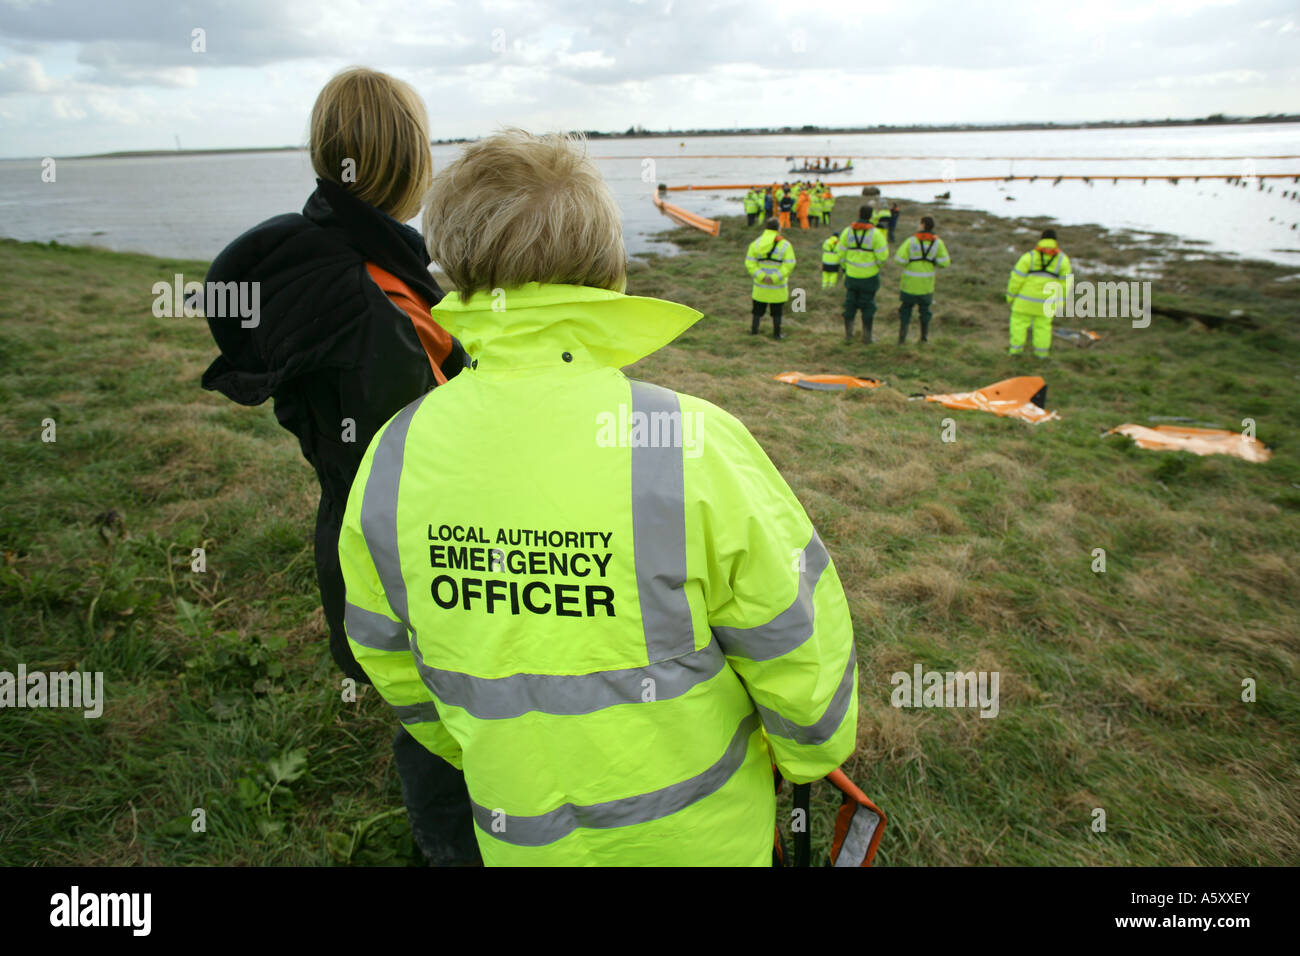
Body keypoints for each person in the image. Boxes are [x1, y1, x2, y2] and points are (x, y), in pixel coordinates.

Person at [337, 129, 858, 866]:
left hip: (519, 839)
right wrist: (810, 753)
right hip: (703, 842)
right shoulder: (689, 442)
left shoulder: (394, 455)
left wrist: (481, 747)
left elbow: (389, 655)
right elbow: (795, 637)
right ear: (604, 268)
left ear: (454, 269)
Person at [200, 67, 479, 866]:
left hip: (355, 542)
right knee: (441, 734)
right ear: (413, 163)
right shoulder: (367, 300)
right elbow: (419, 461)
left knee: (425, 718)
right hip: (415, 567)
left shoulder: (332, 264)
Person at [1006, 228, 1072, 357]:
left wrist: (1010, 296)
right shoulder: (1062, 260)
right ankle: (1041, 355)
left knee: (1018, 324)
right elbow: (1066, 284)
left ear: (1041, 240)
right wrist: (1061, 302)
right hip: (1047, 303)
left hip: (1024, 301)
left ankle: (1015, 352)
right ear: (1055, 242)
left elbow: (1016, 279)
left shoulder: (1028, 257)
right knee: (1043, 328)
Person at [836, 205, 889, 343]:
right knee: (868, 307)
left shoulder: (847, 232)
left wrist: (845, 267)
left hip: (851, 276)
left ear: (858, 214)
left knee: (850, 304)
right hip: (869, 277)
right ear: (871, 216)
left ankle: (848, 336)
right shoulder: (876, 234)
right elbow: (882, 257)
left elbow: (840, 253)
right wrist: (876, 266)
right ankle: (867, 337)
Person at [893, 216, 951, 343]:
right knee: (925, 313)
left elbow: (898, 259)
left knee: (905, 311)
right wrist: (932, 260)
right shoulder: (937, 243)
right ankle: (924, 338)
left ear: (923, 225)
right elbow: (945, 263)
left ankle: (901, 339)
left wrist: (910, 260)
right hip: (926, 286)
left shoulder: (911, 241)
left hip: (909, 285)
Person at [746, 215, 797, 338]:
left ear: (766, 228)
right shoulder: (785, 245)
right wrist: (774, 277)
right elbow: (789, 264)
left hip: (760, 286)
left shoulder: (755, 244)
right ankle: (777, 334)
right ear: (778, 228)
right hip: (777, 287)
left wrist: (762, 276)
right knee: (777, 313)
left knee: (757, 311)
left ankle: (754, 331)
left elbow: (749, 263)